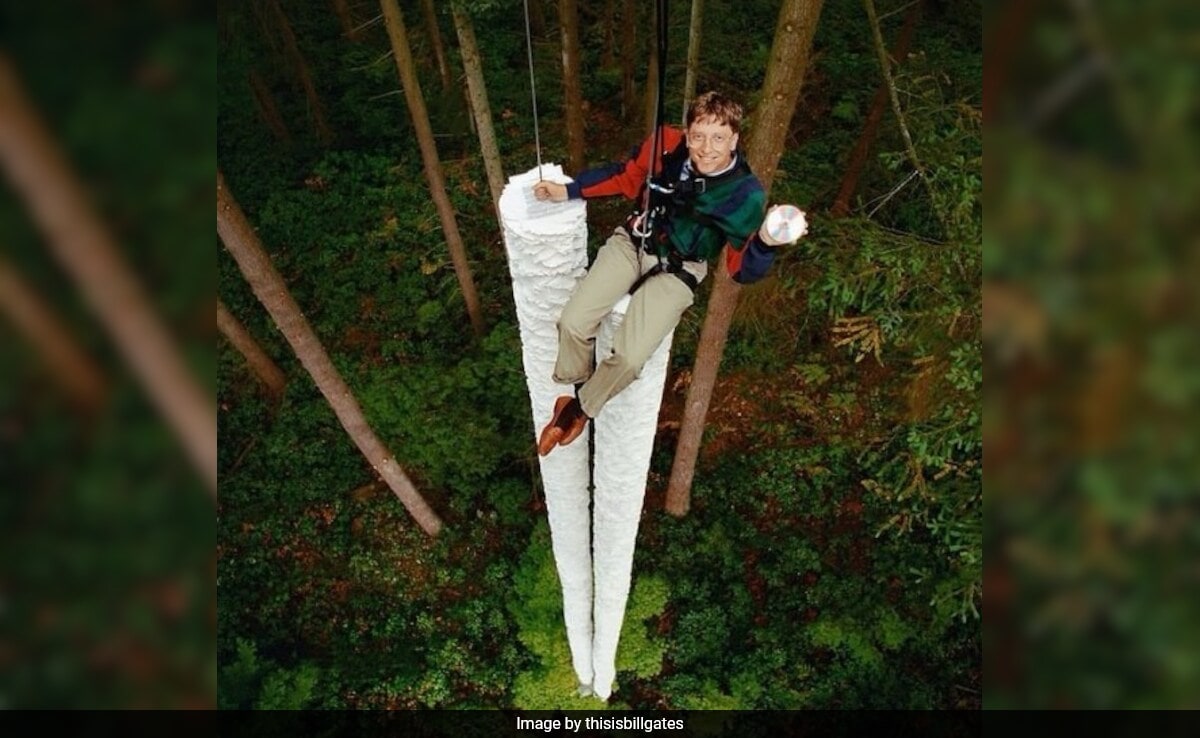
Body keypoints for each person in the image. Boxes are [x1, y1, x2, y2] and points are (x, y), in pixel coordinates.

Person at [531, 91, 802, 456]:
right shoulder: (666, 144)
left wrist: (766, 242)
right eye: (699, 136)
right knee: (572, 322)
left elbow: (740, 269)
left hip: (680, 269)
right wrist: (569, 191)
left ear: (734, 140)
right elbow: (626, 177)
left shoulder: (744, 194)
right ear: (687, 134)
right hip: (633, 242)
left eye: (718, 137)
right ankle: (573, 385)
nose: (706, 148)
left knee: (629, 357)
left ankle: (579, 409)